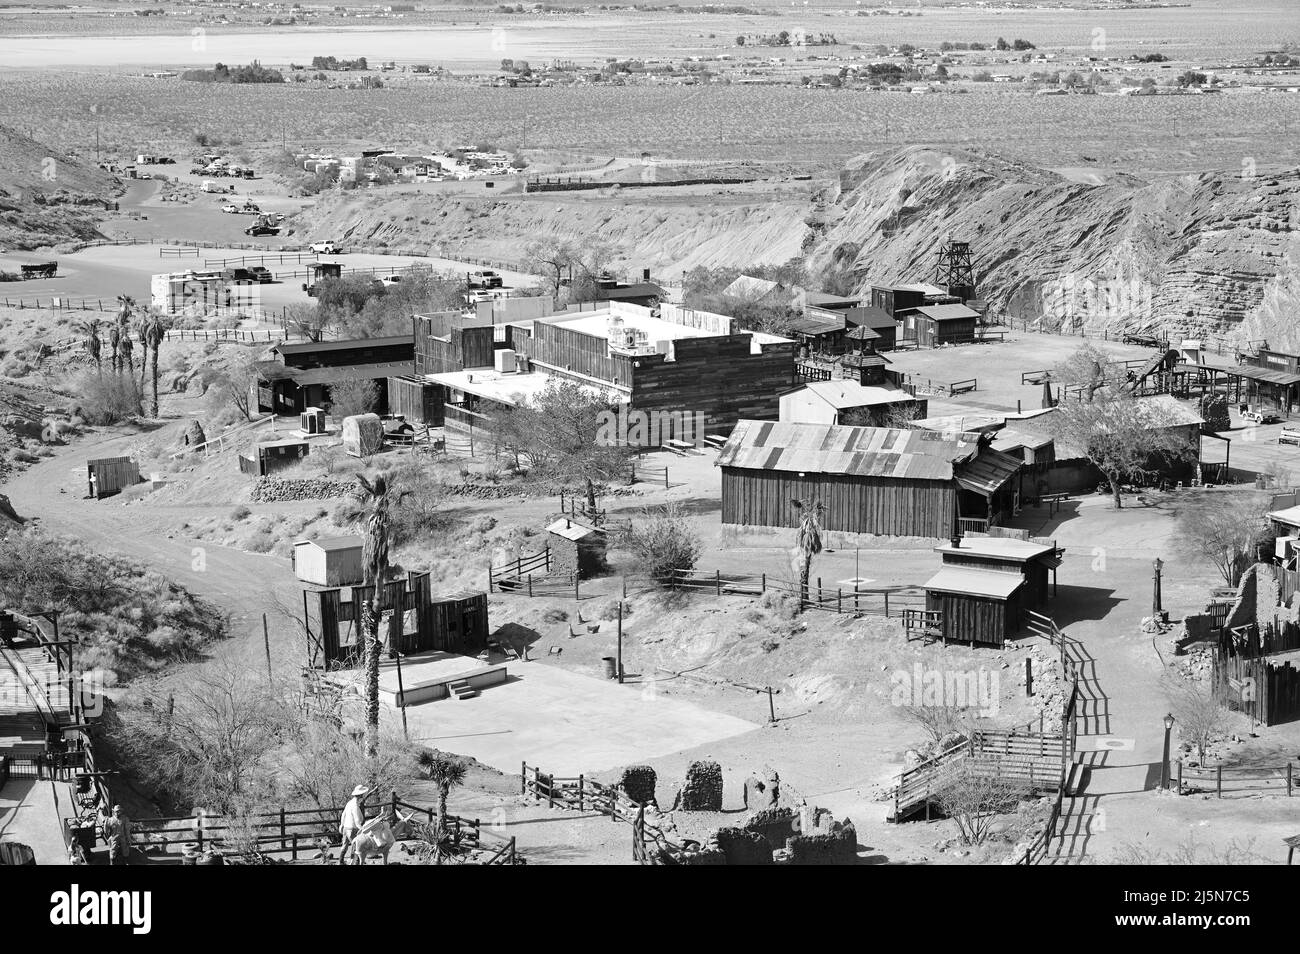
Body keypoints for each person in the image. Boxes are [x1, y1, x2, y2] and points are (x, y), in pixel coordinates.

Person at [338, 785, 369, 864]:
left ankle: (340, 861)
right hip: (352, 828)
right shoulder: (355, 805)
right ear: (360, 795)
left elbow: (343, 814)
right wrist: (361, 828)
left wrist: (342, 824)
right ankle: (355, 862)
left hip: (346, 827)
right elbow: (356, 819)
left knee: (344, 845)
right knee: (357, 846)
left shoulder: (349, 803)